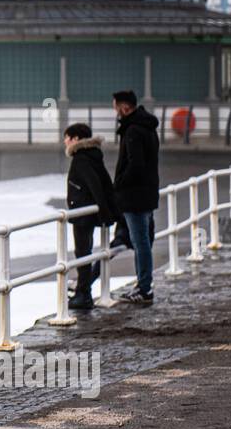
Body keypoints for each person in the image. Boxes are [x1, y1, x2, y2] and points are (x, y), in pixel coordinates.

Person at [111, 90, 160, 306]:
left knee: (141, 243)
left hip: (135, 197)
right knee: (144, 241)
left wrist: (119, 183)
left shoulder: (132, 131)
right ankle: (143, 284)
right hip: (147, 194)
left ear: (124, 108)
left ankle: (144, 287)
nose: (115, 112)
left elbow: (135, 165)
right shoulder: (148, 128)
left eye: (115, 107)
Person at [63, 123, 118, 311]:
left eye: (68, 137)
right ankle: (83, 291)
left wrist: (103, 209)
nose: (65, 141)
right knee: (84, 252)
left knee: (82, 253)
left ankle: (83, 294)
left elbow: (94, 184)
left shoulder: (81, 158)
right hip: (88, 211)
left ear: (77, 139)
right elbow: (104, 182)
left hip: (82, 213)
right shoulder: (93, 155)